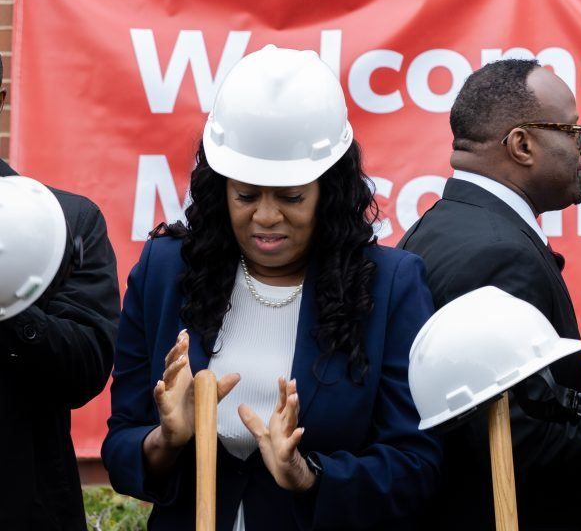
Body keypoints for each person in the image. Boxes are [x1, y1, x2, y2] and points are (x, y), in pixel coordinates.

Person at [103, 46, 441, 531]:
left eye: (291, 197)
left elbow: (416, 465)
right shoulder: (165, 271)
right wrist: (165, 439)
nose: (265, 217)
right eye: (245, 194)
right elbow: (120, 446)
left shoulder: (390, 286)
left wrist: (308, 475)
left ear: (330, 191)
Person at [398, 58, 581, 531]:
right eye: (573, 130)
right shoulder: (494, 254)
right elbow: (513, 443)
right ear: (523, 144)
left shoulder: (450, 225)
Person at [0, 139, 119, 531]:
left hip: (25, 506)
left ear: (0, 99)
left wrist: (11, 297)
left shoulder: (64, 222)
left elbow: (86, 370)